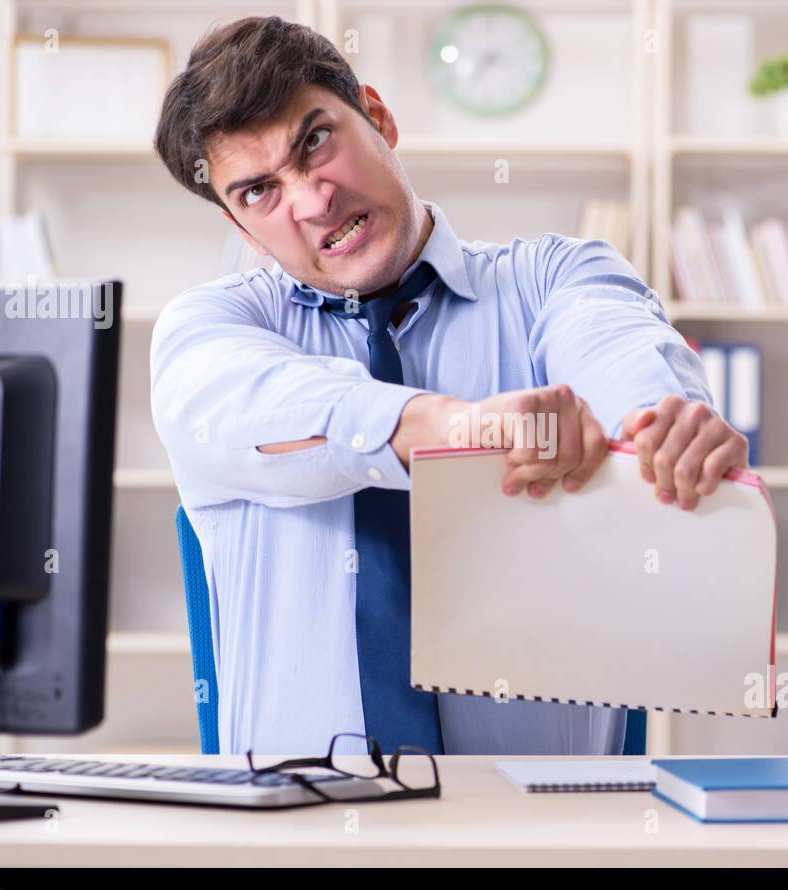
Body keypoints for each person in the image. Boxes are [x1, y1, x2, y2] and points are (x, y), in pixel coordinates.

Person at [151, 16, 749, 756]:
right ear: (242, 229)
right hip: (297, 831)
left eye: (314, 142)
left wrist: (661, 427)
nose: (311, 201)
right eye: (258, 192)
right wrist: (447, 429)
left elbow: (619, 347)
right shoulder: (212, 329)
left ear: (377, 115)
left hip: (544, 827)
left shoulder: (555, 276)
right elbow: (256, 403)